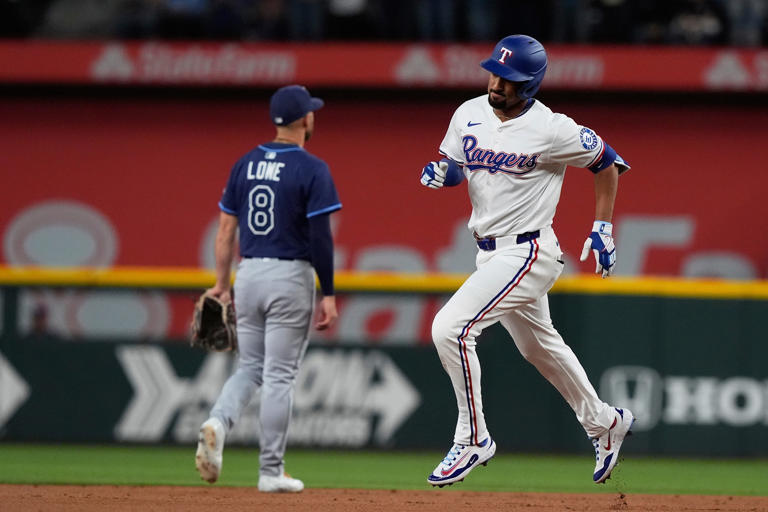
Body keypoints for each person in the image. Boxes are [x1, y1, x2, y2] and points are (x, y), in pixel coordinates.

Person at [419, 34, 634, 487]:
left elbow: (608, 162)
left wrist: (603, 227)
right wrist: (443, 172)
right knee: (539, 347)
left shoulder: (552, 128)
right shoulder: (468, 112)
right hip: (489, 252)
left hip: (530, 250)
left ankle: (473, 438)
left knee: (450, 329)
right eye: (494, 73)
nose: (497, 83)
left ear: (531, 83)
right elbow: (456, 163)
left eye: (509, 78)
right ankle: (604, 422)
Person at [195, 84, 342, 493]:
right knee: (279, 376)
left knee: (250, 368)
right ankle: (271, 470)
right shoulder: (312, 168)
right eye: (311, 111)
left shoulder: (244, 164)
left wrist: (221, 282)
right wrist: (328, 293)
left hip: (248, 274)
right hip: (289, 277)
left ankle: (217, 421)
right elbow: (321, 238)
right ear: (305, 119)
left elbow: (225, 230)